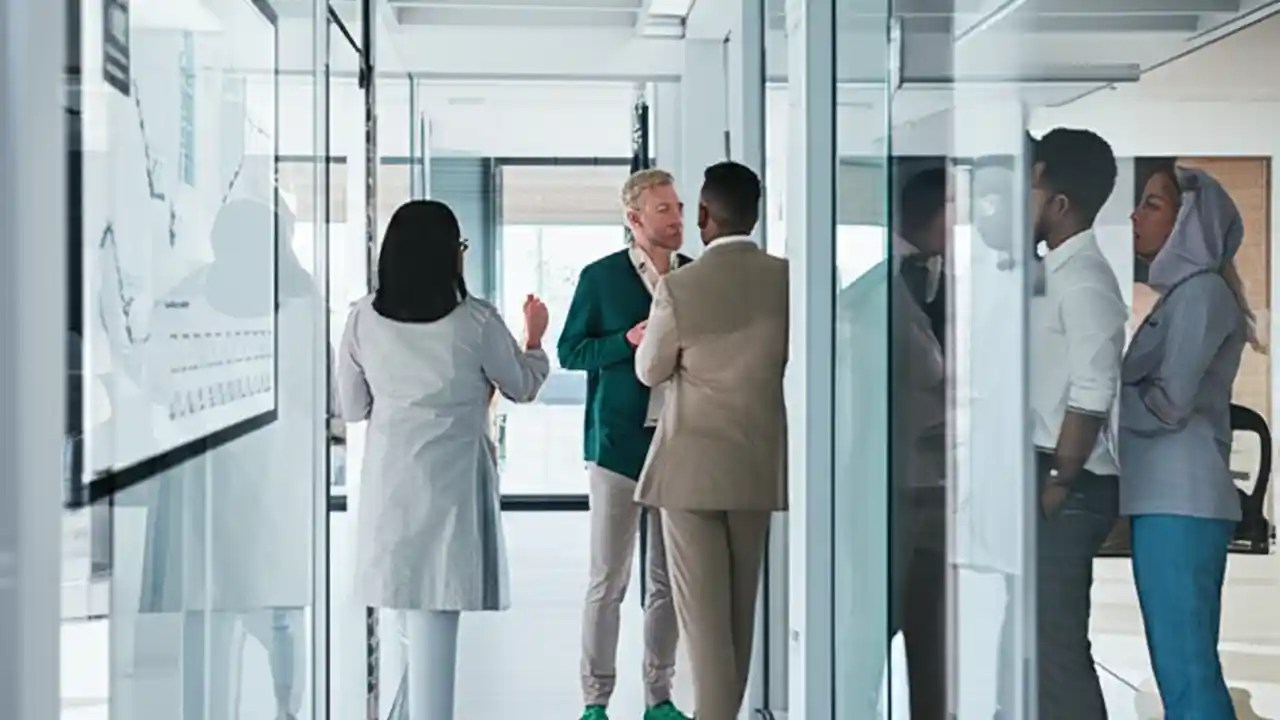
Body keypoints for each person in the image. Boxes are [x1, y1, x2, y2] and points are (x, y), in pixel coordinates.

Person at [337, 199, 550, 720]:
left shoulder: (362, 319)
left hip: (392, 486)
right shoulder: (475, 321)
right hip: (452, 490)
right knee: (435, 620)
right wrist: (536, 339)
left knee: (411, 619)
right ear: (450, 256)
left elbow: (352, 407)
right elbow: (521, 385)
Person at [634, 161, 788, 720]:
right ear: (756, 211)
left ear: (704, 215)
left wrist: (647, 344)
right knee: (738, 618)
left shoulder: (679, 285)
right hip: (757, 465)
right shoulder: (786, 278)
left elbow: (651, 371)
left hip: (691, 469)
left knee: (703, 628)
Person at [1122, 165, 1260, 719]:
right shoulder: (1183, 294)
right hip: (1168, 499)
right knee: (1182, 665)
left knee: (1186, 670)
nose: (1136, 215)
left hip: (1179, 502)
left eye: (1153, 204)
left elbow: (1170, 401)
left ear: (1189, 223)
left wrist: (1103, 406)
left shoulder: (1200, 294)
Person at [559, 168, 690, 720]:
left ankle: (659, 698)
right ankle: (596, 702)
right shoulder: (600, 277)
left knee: (667, 583)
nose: (677, 217)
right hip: (615, 450)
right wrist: (625, 341)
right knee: (608, 581)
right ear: (634, 219)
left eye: (679, 206)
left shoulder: (696, 277)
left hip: (680, 446)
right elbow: (570, 352)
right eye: (664, 209)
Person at [1026, 128, 1128, 719]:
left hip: (1072, 481)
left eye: (1031, 189)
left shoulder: (1084, 279)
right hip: (1053, 474)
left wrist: (1057, 483)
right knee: (1038, 648)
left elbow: (1092, 394)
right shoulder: (1053, 271)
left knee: (1059, 649)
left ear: (1060, 204)